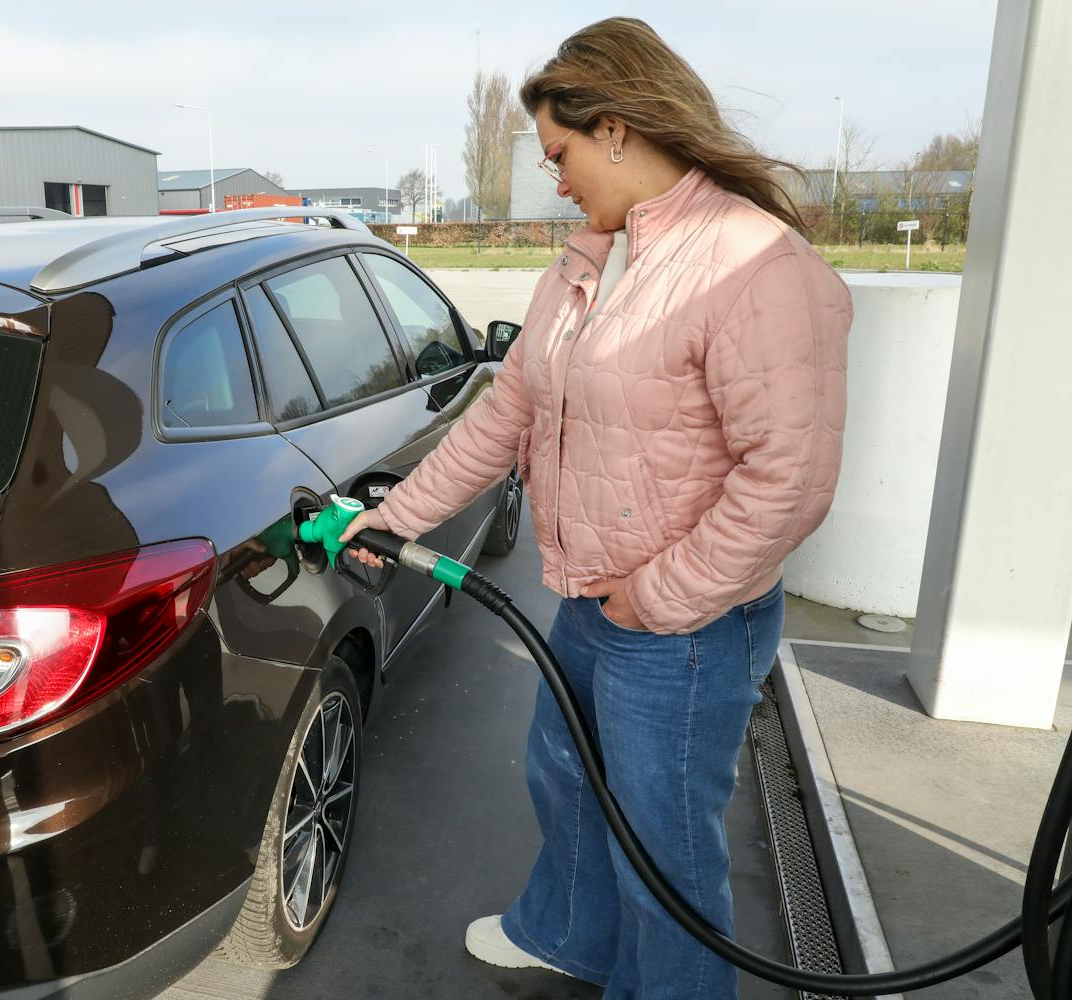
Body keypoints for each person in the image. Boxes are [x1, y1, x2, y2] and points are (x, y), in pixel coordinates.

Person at [339, 16, 851, 1000]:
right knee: (567, 775)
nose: (558, 179)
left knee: (664, 841)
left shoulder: (755, 265)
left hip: (687, 619)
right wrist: (398, 515)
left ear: (615, 127)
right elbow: (510, 415)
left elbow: (787, 478)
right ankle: (570, 931)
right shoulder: (590, 262)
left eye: (561, 153)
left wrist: (656, 595)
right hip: (591, 592)